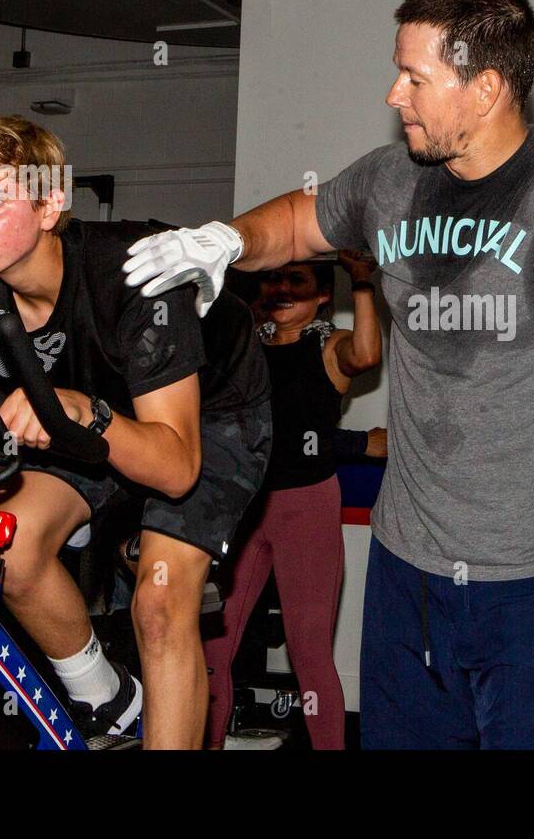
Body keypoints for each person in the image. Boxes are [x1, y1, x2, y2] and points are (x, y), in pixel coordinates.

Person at [124, 0, 534, 749]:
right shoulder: (389, 181)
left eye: (415, 77)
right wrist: (226, 240)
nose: (393, 95)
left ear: (483, 89)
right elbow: (299, 220)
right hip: (409, 564)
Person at [0, 115, 272, 749]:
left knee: (158, 600)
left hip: (205, 415)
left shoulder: (133, 275)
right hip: (77, 409)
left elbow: (175, 468)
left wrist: (81, 411)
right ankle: (106, 701)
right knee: (5, 548)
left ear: (50, 205)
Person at [204, 252, 381, 750]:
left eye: (296, 280)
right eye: (273, 280)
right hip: (243, 509)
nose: (280, 288)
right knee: (213, 649)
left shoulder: (330, 348)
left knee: (309, 653)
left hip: (306, 507)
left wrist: (362, 280)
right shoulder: (242, 346)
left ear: (323, 295)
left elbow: (367, 354)